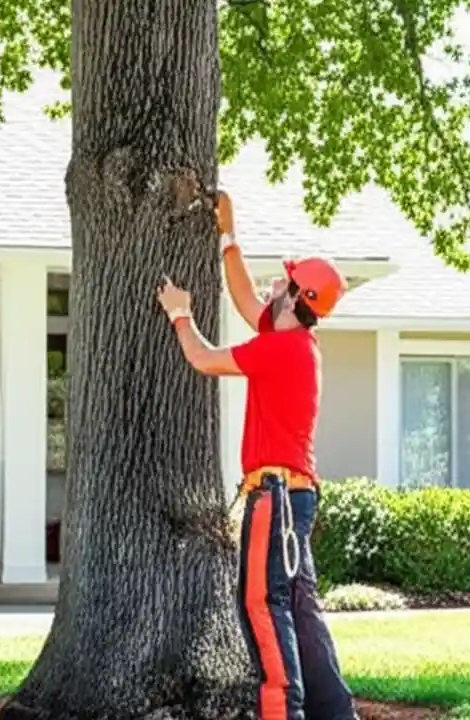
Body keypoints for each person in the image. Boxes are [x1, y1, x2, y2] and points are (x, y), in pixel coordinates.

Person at [156, 190, 358, 720]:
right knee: (299, 609)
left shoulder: (280, 350)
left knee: (263, 607)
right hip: (293, 496)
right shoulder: (294, 343)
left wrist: (180, 314)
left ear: (295, 298)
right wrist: (228, 234)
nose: (274, 285)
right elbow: (246, 299)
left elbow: (201, 357)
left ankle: (281, 713)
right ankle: (336, 714)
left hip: (276, 498)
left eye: (284, 282)